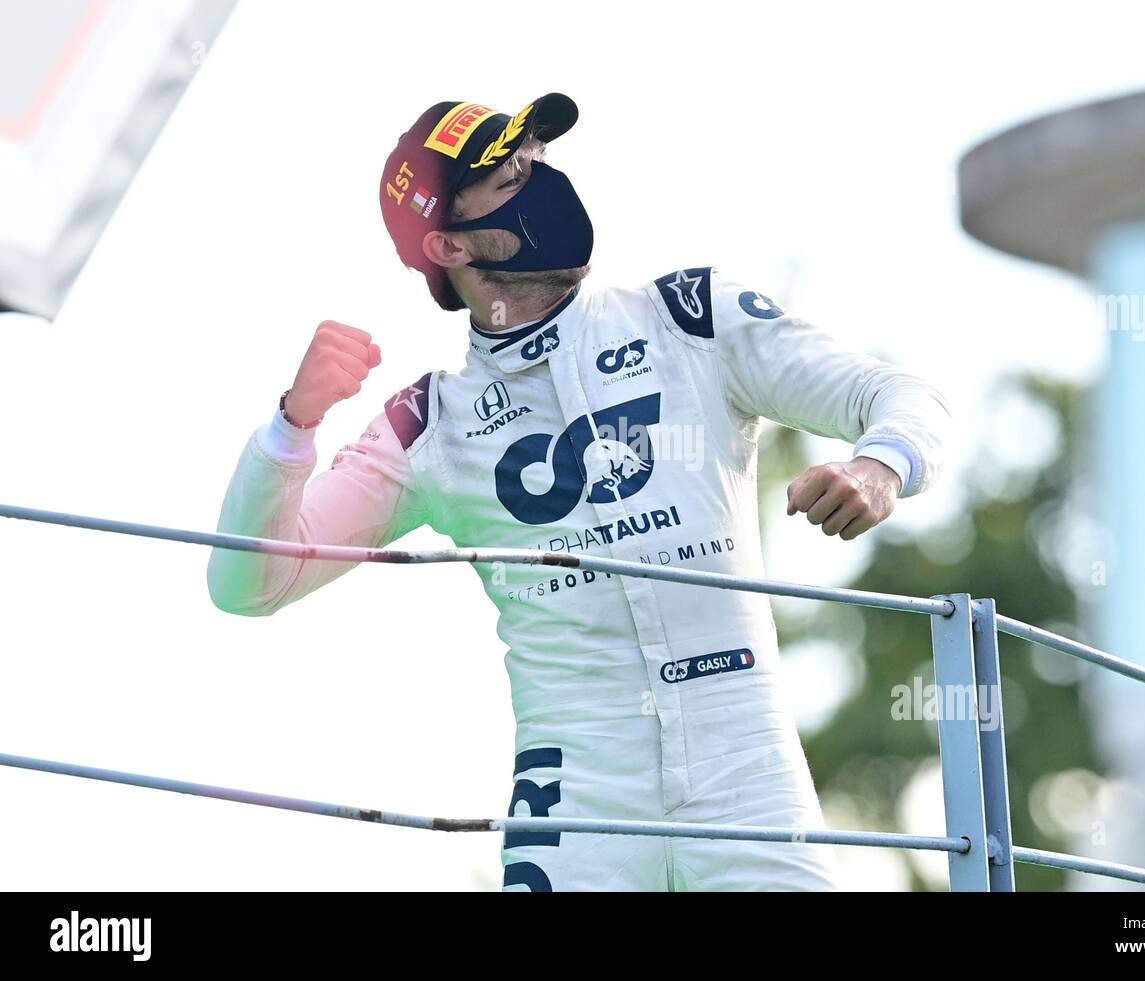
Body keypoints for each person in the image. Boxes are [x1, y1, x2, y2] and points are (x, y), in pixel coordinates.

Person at [206, 92, 952, 891]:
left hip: (749, 769)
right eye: (509, 176)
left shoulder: (689, 318)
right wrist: (293, 426)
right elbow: (248, 584)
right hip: (572, 790)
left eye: (538, 159)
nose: (543, 181)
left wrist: (881, 466)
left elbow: (901, 395)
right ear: (446, 241)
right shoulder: (429, 422)